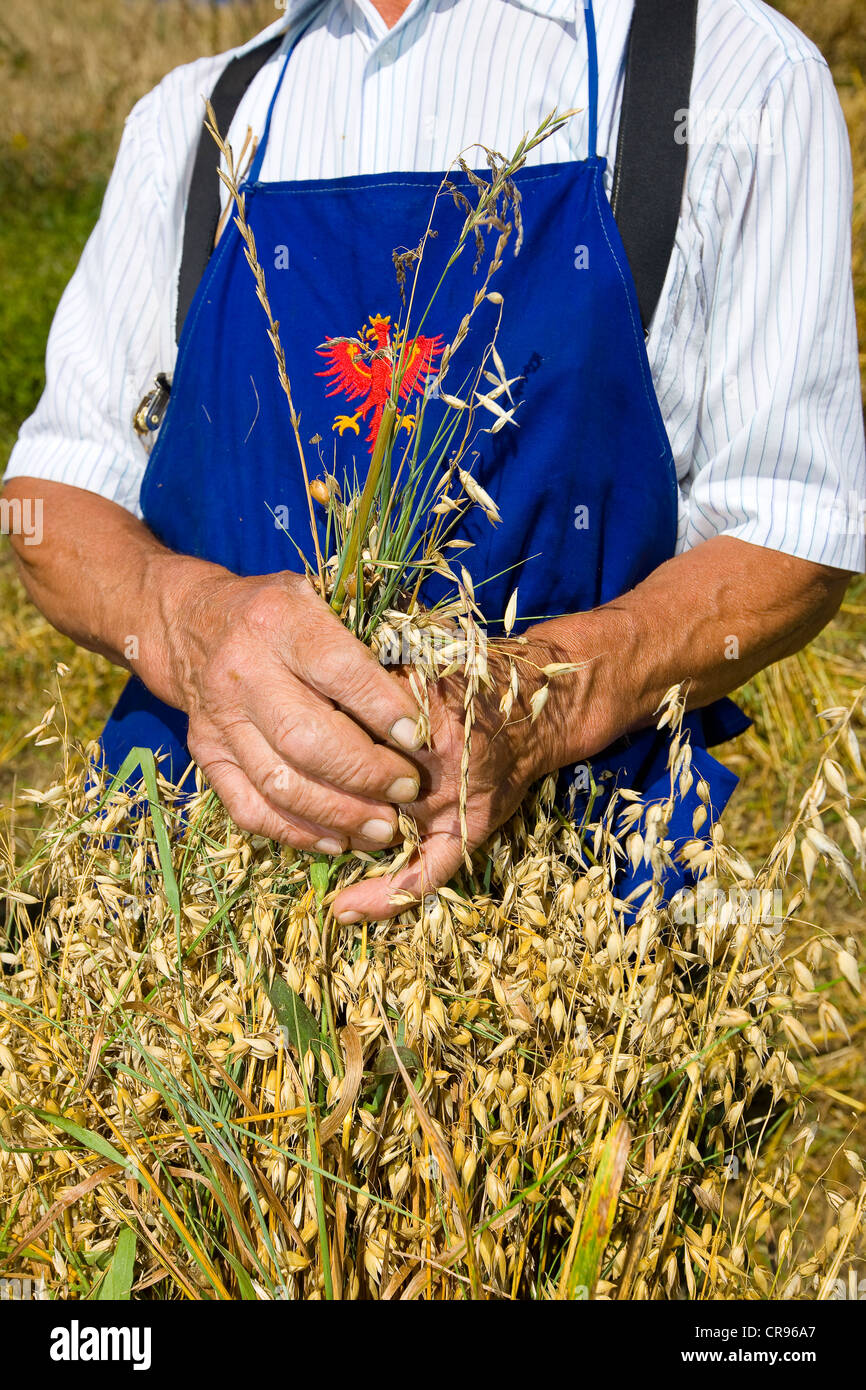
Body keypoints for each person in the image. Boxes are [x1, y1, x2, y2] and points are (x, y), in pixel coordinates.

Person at [3, 0, 864, 924]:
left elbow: (794, 522)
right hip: (183, 919)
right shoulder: (199, 114)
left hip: (558, 947)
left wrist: (544, 705)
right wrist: (189, 625)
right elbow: (52, 498)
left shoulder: (731, 75)